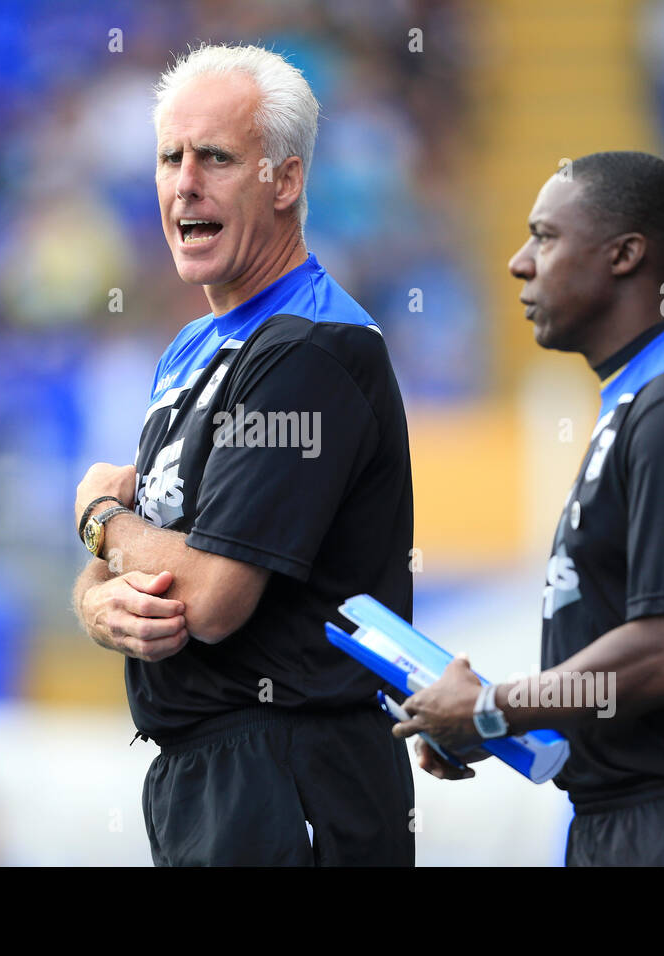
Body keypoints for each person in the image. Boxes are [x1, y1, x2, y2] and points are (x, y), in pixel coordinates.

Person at [393, 151, 664, 866]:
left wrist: (494, 705)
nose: (518, 262)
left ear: (626, 255)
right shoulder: (644, 399)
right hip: (647, 824)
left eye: (545, 236)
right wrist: (490, 726)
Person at [71, 43, 415, 866]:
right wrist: (94, 600)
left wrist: (95, 517)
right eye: (169, 157)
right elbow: (150, 542)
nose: (185, 182)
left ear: (286, 181)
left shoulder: (310, 350)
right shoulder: (192, 348)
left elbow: (211, 595)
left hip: (292, 774)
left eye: (216, 158)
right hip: (208, 776)